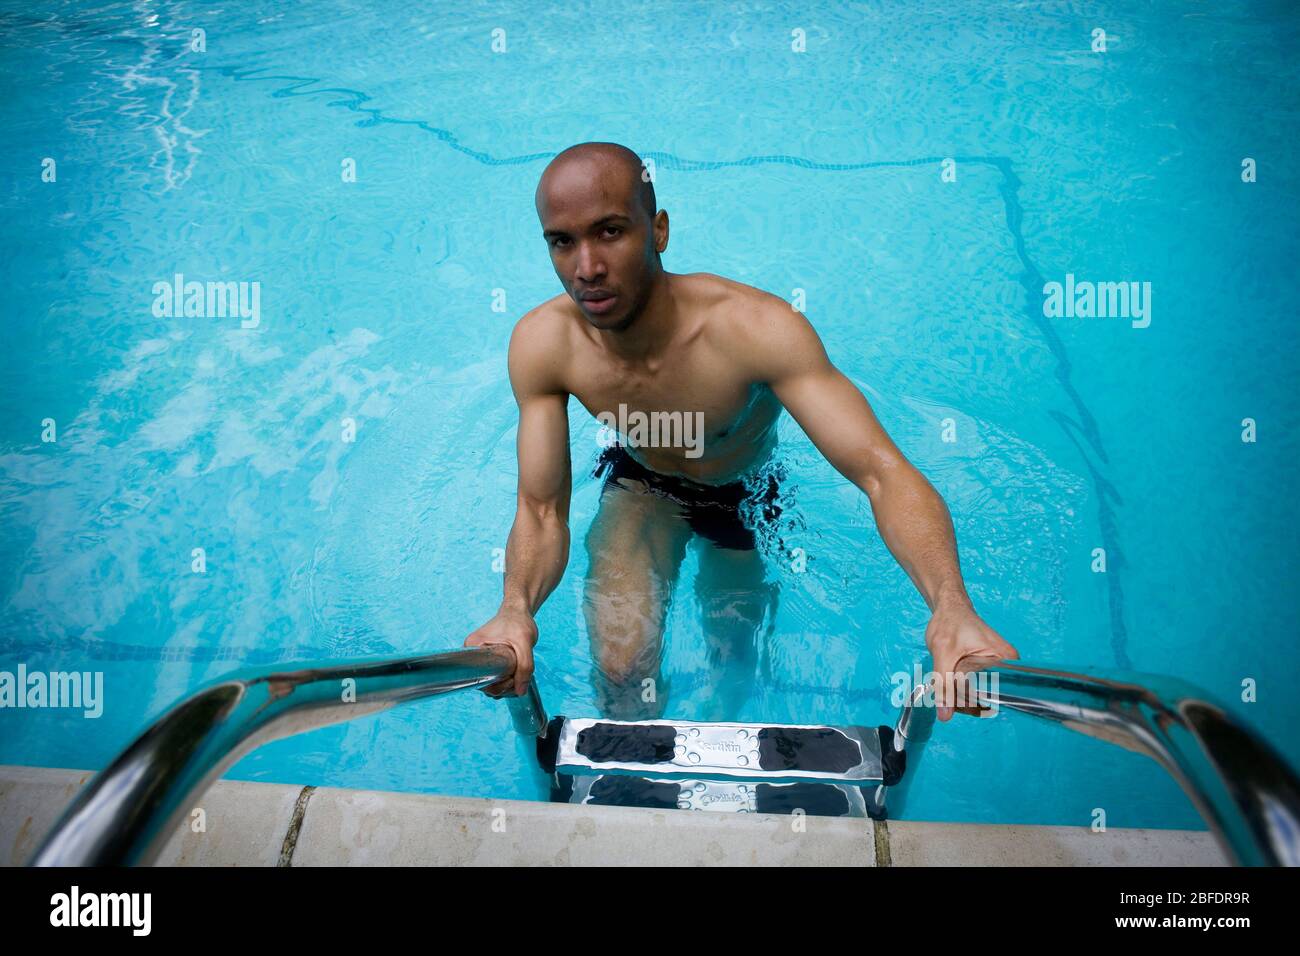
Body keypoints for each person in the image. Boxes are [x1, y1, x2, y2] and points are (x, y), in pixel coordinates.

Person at [464, 141, 1018, 722]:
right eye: (563, 241)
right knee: (622, 674)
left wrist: (951, 606)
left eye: (610, 232)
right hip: (642, 486)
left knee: (733, 661)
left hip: (746, 494)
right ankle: (635, 794)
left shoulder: (756, 329)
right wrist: (514, 608)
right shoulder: (544, 344)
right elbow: (540, 510)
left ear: (658, 231)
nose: (587, 268)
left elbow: (882, 472)